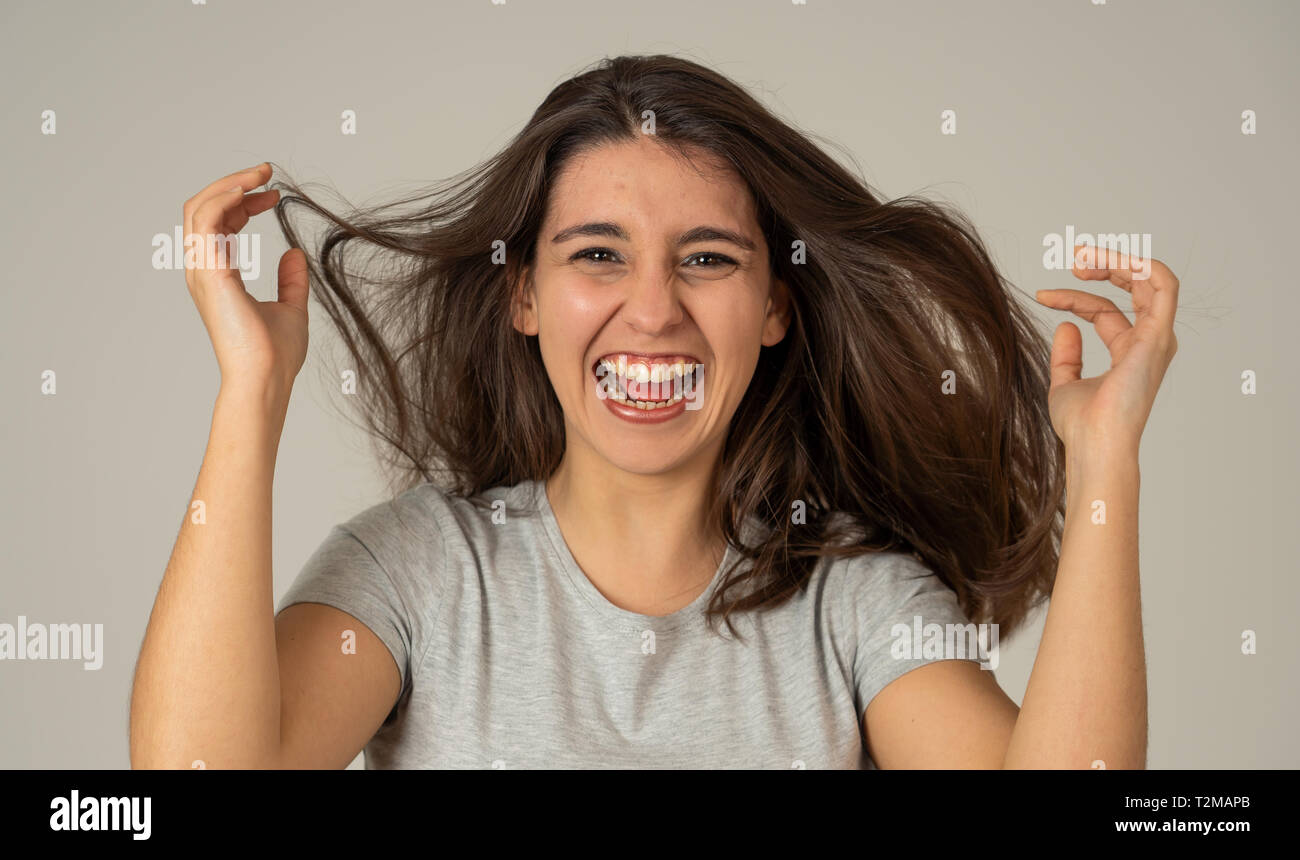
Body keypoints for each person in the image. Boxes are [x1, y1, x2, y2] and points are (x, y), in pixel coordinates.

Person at [129, 54, 1178, 769]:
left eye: (707, 259)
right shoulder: (417, 569)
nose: (653, 309)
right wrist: (250, 392)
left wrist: (1105, 460)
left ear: (772, 304)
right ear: (524, 295)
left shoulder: (852, 602)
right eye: (597, 254)